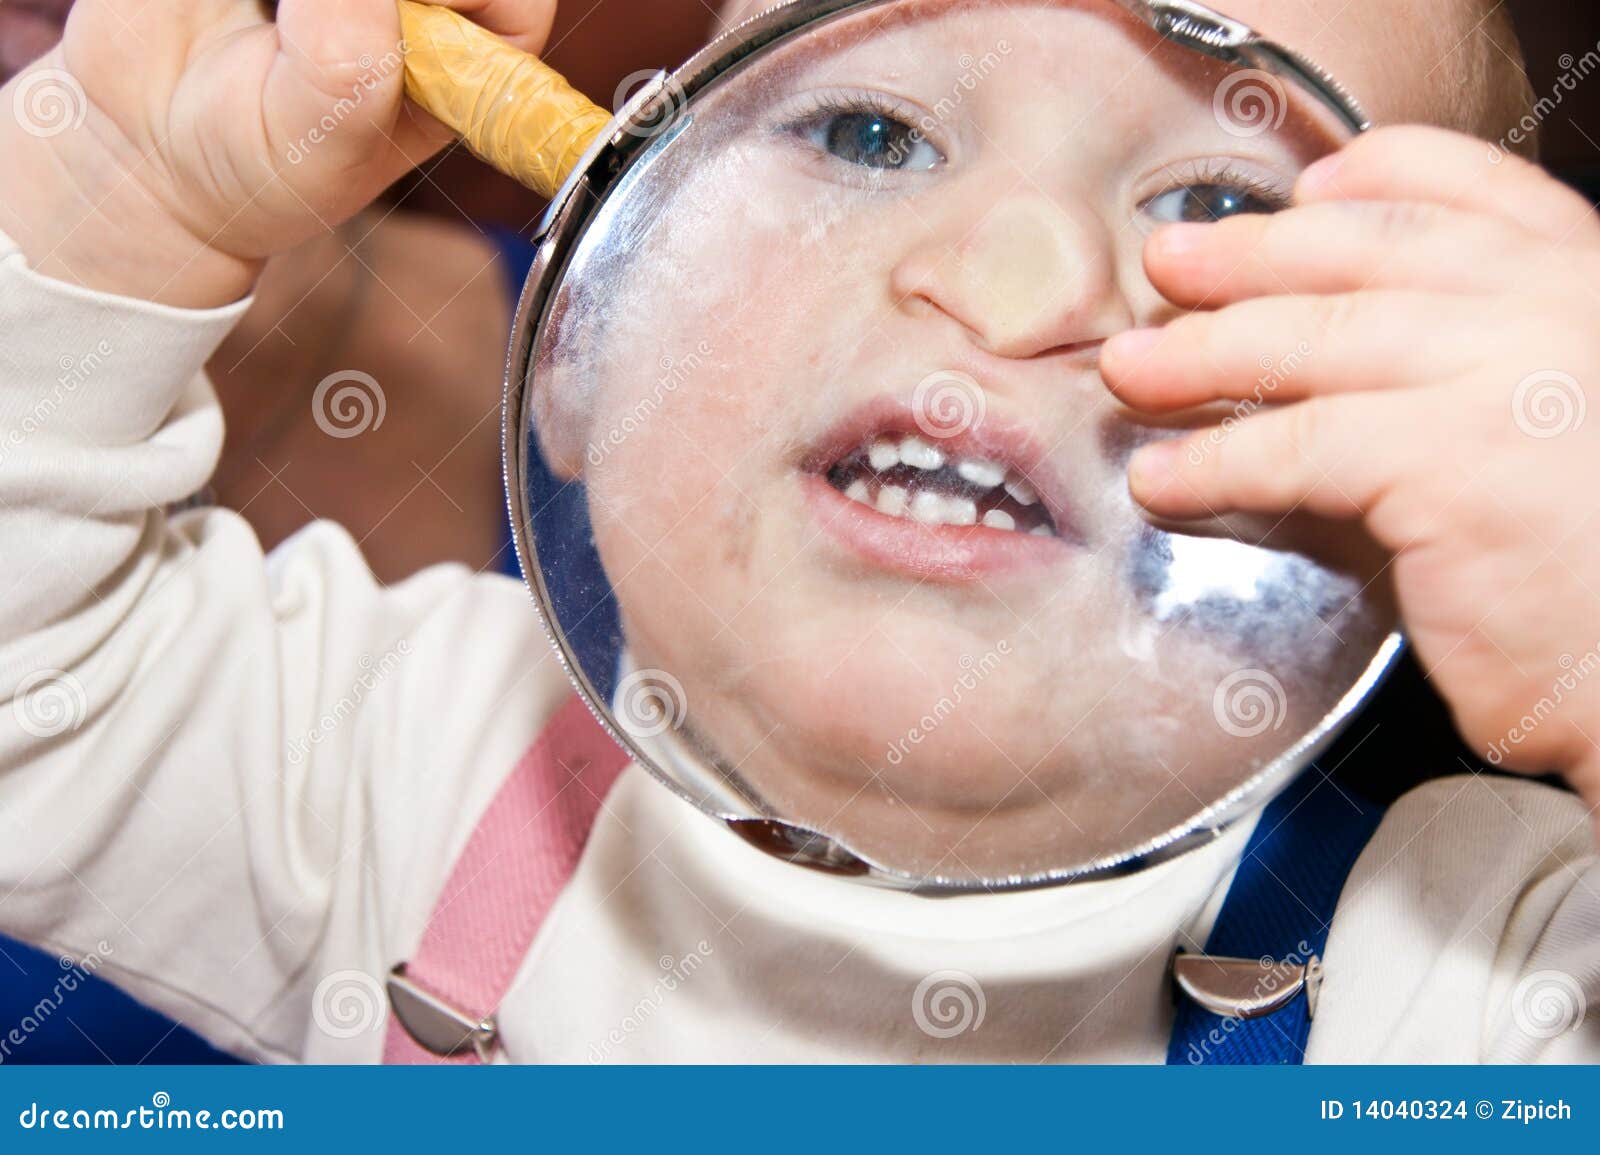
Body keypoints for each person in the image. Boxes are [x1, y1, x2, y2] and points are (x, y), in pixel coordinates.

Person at [0, 0, 1594, 1065]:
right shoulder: (405, 762)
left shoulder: (1464, 980)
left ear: (1419, 522)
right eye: (870, 136)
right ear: (579, 348)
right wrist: (119, 187)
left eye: (1225, 212)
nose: (1014, 285)